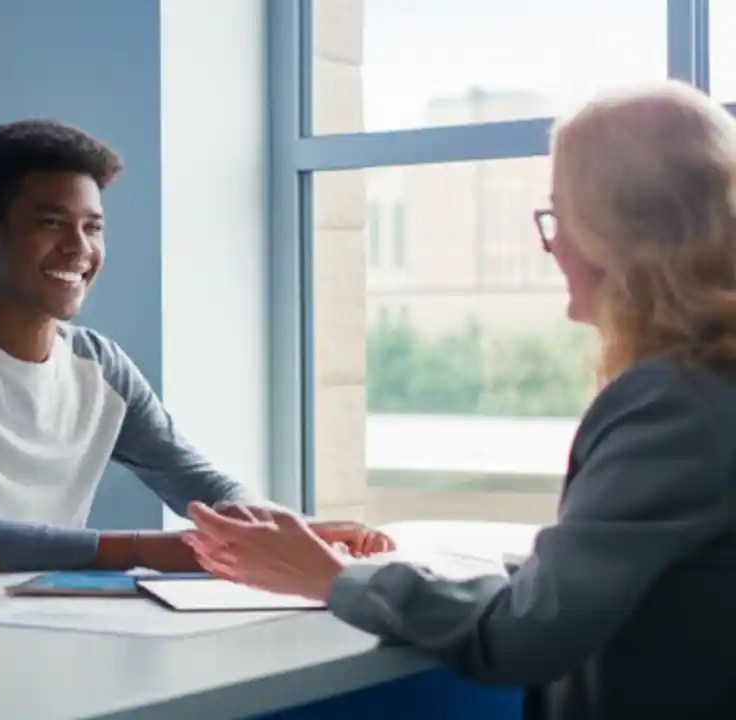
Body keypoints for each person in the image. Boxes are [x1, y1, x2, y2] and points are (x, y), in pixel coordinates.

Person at [183, 80, 736, 718]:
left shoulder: (675, 402)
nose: (551, 244)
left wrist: (330, 576)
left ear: (618, 227)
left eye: (559, 215)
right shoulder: (706, 385)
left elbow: (523, 636)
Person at [0, 118, 392, 572]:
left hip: (39, 620)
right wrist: (157, 550)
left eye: (93, 228)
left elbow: (191, 477)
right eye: (51, 223)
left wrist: (290, 533)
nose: (79, 248)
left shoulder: (101, 365)